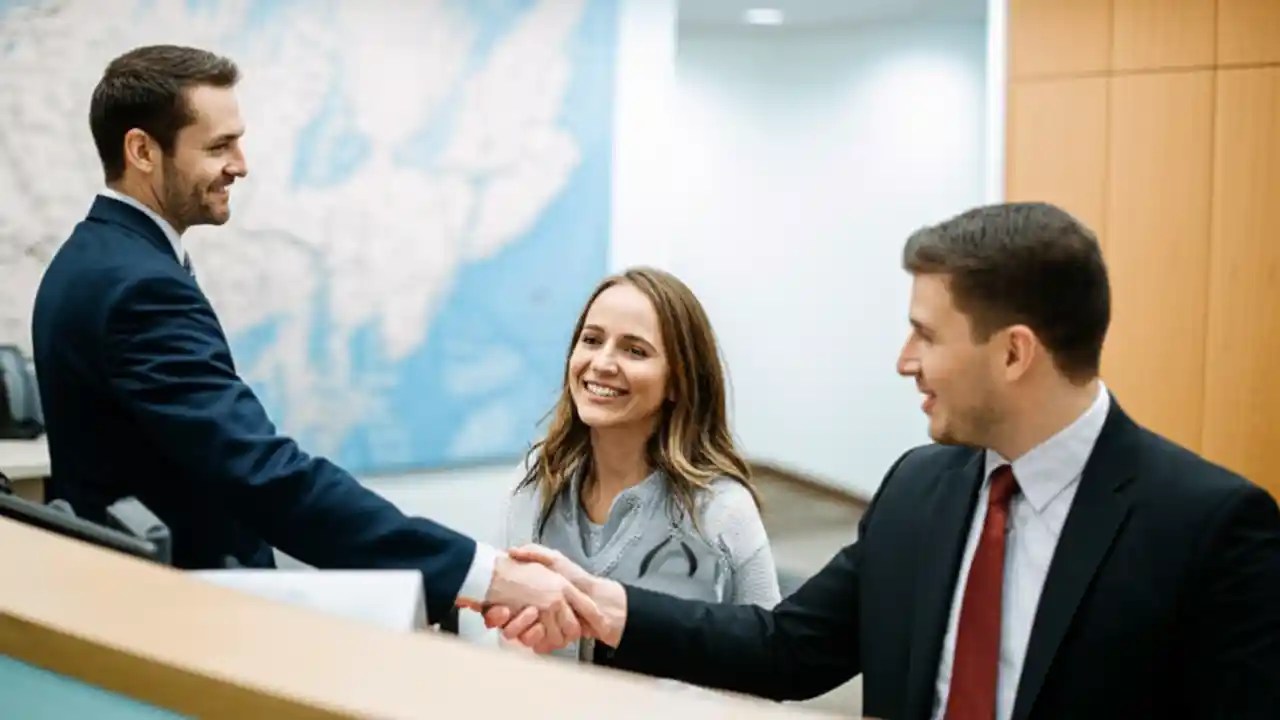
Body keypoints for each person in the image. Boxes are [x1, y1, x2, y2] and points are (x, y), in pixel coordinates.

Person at [488, 203, 1280, 719]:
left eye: (926, 335)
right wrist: (610, 606)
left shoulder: (1207, 528)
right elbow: (786, 650)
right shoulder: (917, 491)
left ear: (1013, 354)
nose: (905, 361)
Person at [31, 44, 595, 643]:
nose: (241, 164)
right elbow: (262, 472)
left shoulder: (95, 259)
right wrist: (484, 574)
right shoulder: (138, 286)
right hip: (169, 625)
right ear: (142, 150)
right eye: (219, 146)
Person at [500, 267, 780, 660]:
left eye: (635, 350)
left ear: (678, 382)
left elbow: (769, 660)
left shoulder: (721, 508)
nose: (602, 363)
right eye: (592, 340)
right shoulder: (535, 479)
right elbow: (504, 634)